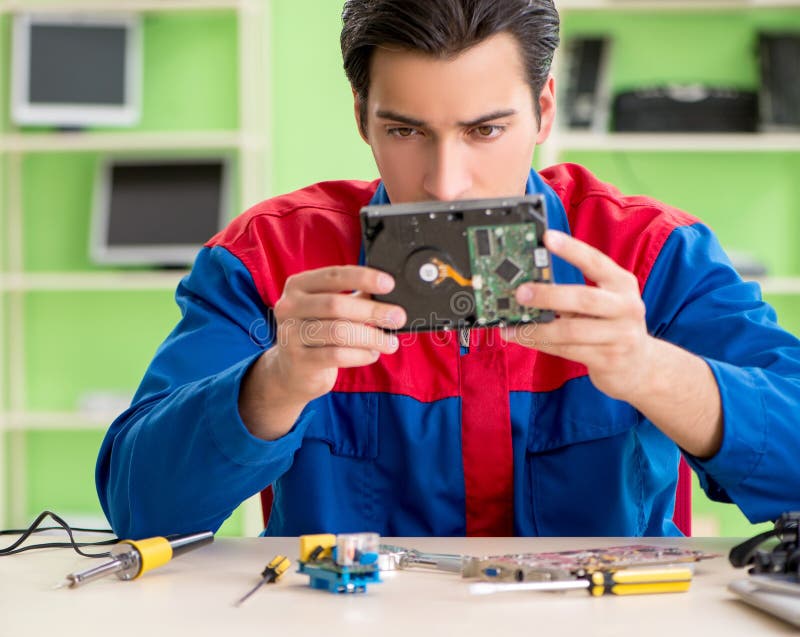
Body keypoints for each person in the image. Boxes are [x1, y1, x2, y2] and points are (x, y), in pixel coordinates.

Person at [96, 0, 800, 539]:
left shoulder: (652, 251)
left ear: (544, 109)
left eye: (484, 130)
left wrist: (652, 370)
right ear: (362, 117)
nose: (446, 182)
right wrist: (275, 382)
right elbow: (137, 507)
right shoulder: (266, 258)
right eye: (405, 131)